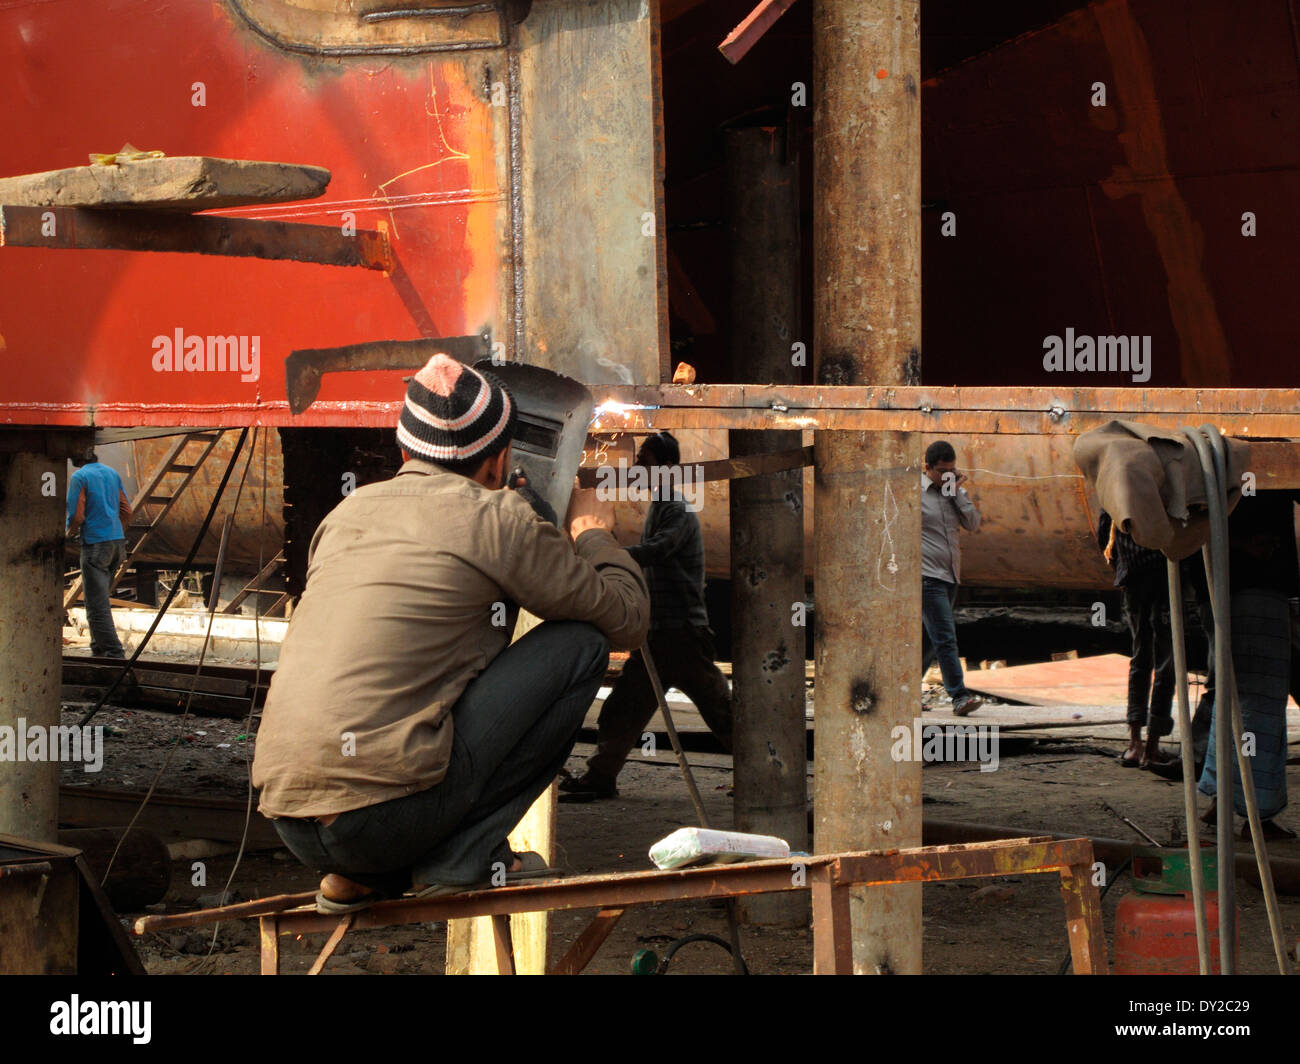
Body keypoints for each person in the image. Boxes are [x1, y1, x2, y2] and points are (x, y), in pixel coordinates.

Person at [251, 354, 650, 913]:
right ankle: (465, 858)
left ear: (405, 450)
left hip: (290, 821)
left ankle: (354, 878)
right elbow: (626, 619)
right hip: (384, 818)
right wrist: (591, 534)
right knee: (581, 645)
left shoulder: (347, 514)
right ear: (498, 461)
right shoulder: (499, 518)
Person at [560, 431, 732, 800]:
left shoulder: (677, 510)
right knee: (624, 709)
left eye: (646, 462)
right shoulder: (661, 505)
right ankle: (600, 777)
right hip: (658, 634)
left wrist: (610, 554)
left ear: (667, 468)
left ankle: (762, 778)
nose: (638, 468)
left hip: (682, 633)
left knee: (722, 713)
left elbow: (659, 550)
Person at [1193, 490, 1297, 840]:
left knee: (1233, 700)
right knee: (1259, 708)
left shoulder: (1217, 465)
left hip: (1228, 592)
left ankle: (1224, 803)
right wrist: (1245, 545)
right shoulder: (1259, 469)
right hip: (1255, 595)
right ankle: (1256, 814)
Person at [1096, 510, 1179, 770]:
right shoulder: (1164, 474)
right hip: (1165, 572)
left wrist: (1120, 566)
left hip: (1133, 574)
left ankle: (1135, 744)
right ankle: (1152, 746)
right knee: (1166, 660)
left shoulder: (1117, 478)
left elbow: (1103, 533)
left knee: (1141, 656)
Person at [920, 440, 983, 715]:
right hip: (926, 576)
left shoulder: (956, 492)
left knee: (927, 639)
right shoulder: (913, 494)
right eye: (942, 471)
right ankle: (959, 696)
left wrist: (955, 493)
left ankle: (906, 694)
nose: (947, 476)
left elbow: (972, 524)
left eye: (951, 471)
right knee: (945, 636)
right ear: (927, 469)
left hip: (950, 575)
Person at [66, 449, 132, 659]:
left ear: (76, 459)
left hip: (95, 544)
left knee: (96, 604)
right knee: (101, 598)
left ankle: (114, 652)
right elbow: (126, 510)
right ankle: (98, 648)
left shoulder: (80, 476)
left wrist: (69, 533)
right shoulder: (112, 473)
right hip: (117, 544)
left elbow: (77, 515)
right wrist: (115, 530)